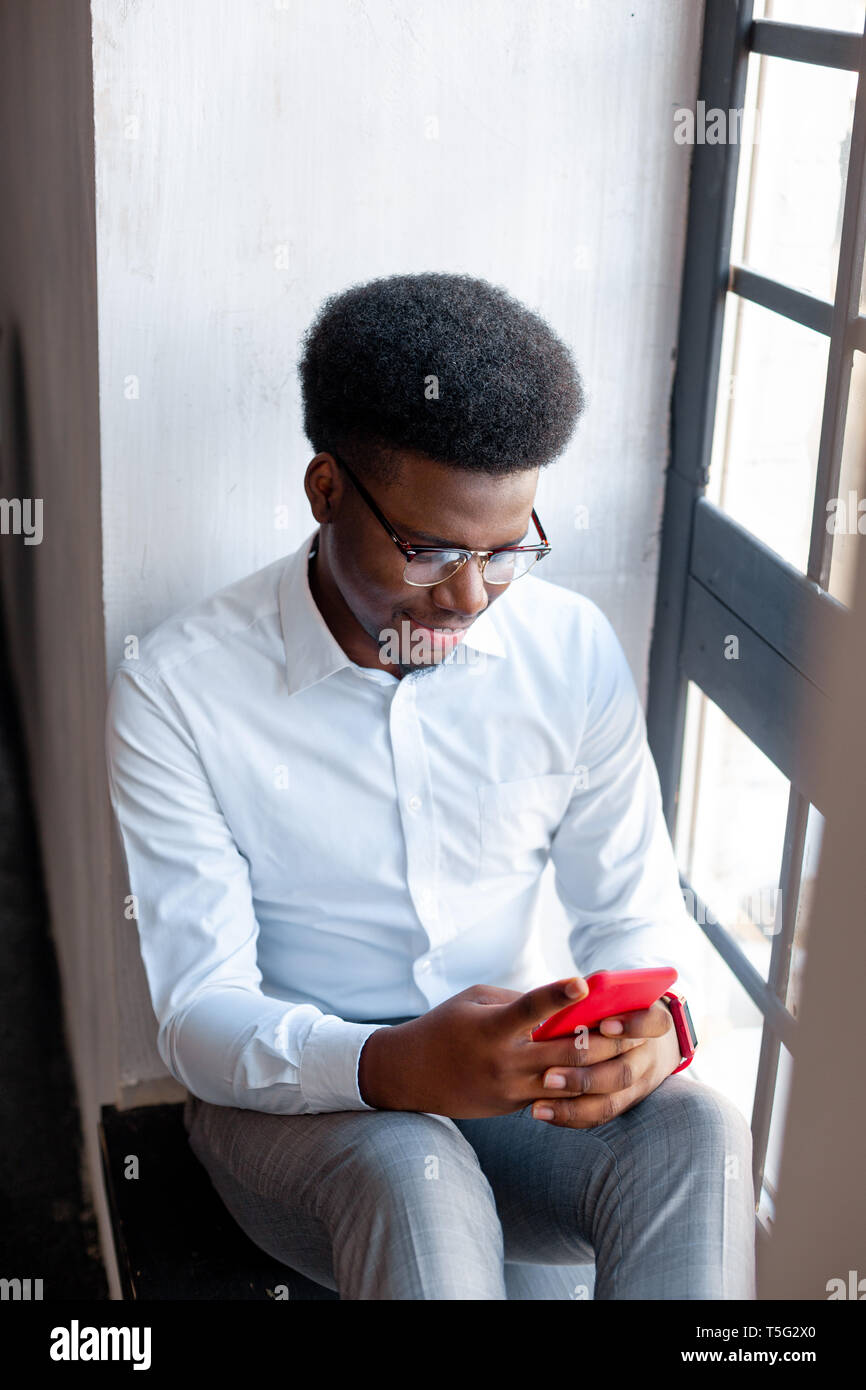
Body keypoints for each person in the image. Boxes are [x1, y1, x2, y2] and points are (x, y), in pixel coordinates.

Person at [105, 271, 756, 1300]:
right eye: (430, 549)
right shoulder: (179, 688)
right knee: (415, 1168)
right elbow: (200, 1015)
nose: (469, 596)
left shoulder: (567, 649)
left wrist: (656, 1026)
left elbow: (635, 918)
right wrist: (394, 1066)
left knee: (693, 1128)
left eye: (507, 552)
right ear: (325, 491)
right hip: (297, 1117)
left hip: (509, 1093)